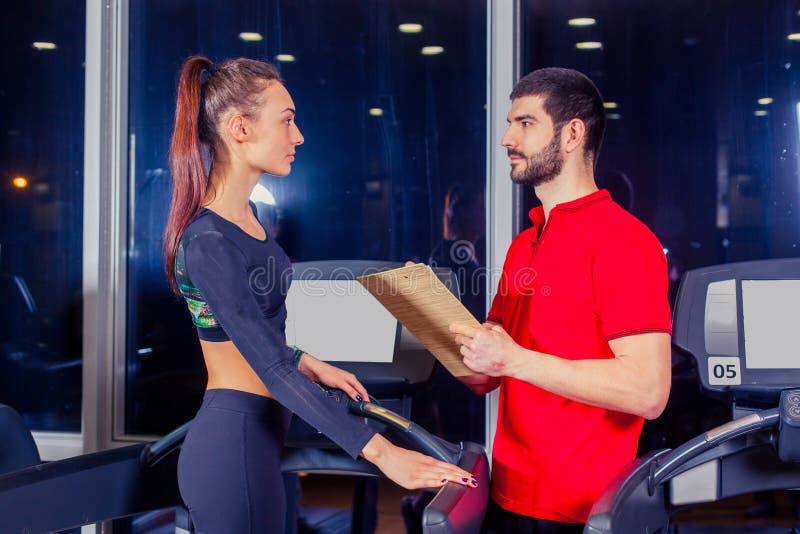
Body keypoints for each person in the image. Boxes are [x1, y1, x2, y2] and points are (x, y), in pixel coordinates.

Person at [163, 56, 476, 533]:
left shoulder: (249, 225)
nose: (299, 136)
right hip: (234, 442)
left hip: (264, 436)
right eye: (286, 121)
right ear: (240, 128)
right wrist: (384, 453)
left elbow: (249, 332)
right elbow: (268, 367)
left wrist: (307, 361)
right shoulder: (209, 241)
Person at [450, 67, 672, 532]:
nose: (508, 138)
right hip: (507, 495)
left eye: (525, 123)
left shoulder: (623, 241)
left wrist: (513, 360)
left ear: (572, 134)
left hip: (581, 509)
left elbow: (648, 390)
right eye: (510, 123)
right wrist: (429, 323)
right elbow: (485, 375)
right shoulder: (524, 243)